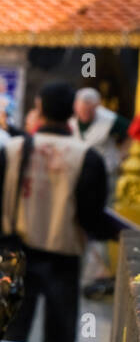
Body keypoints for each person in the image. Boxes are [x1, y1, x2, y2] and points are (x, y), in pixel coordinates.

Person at [0, 81, 121, 342]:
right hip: (64, 258)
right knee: (59, 339)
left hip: (16, 254)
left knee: (12, 333)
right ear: (72, 111)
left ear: (39, 108)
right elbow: (91, 217)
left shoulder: (10, 151)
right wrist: (119, 232)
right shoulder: (87, 158)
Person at [71, 87, 131, 299]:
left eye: (89, 108)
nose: (85, 112)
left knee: (98, 220)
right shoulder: (72, 120)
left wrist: (120, 157)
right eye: (81, 108)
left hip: (103, 176)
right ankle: (89, 269)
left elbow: (129, 134)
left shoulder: (110, 120)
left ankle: (99, 273)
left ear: (96, 107)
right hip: (78, 176)